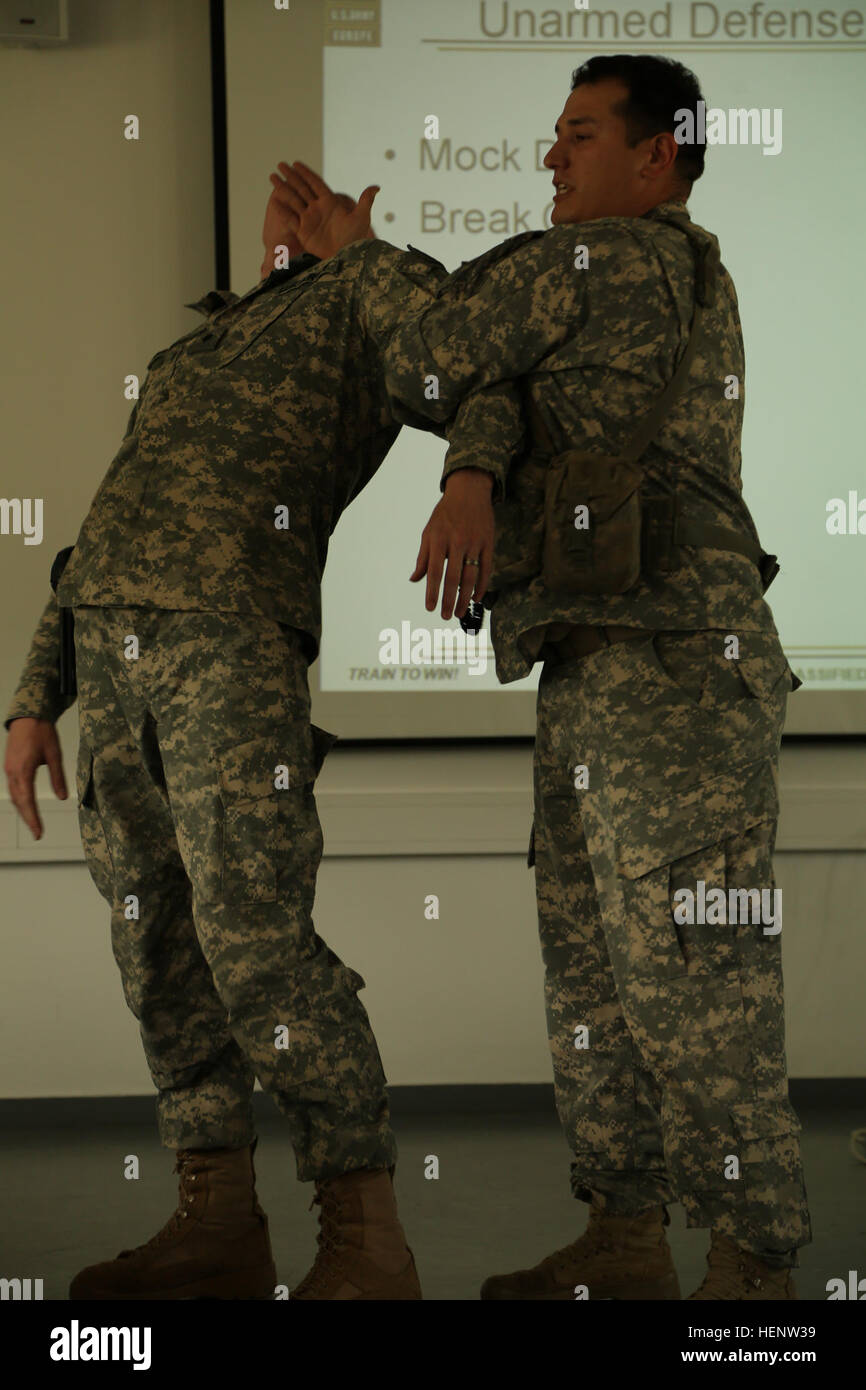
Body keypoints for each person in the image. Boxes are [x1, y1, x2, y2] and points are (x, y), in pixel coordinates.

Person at [292, 54, 812, 1301]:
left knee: (692, 971)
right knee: (593, 966)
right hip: (598, 659)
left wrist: (358, 251)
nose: (548, 158)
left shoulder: (617, 257)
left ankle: (752, 1272)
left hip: (670, 663)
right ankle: (626, 1241)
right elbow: (504, 387)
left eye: (578, 135)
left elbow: (433, 351)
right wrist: (473, 463)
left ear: (657, 159)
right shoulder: (614, 277)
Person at [3, 168, 521, 1301]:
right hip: (115, 658)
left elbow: (477, 367)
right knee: (159, 953)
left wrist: (355, 251)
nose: (288, 227)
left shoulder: (362, 304)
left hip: (229, 648)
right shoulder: (192, 359)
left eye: (306, 223)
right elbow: (100, 529)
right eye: (286, 227)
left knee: (255, 946)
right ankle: (218, 1223)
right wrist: (37, 692)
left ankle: (365, 1239)